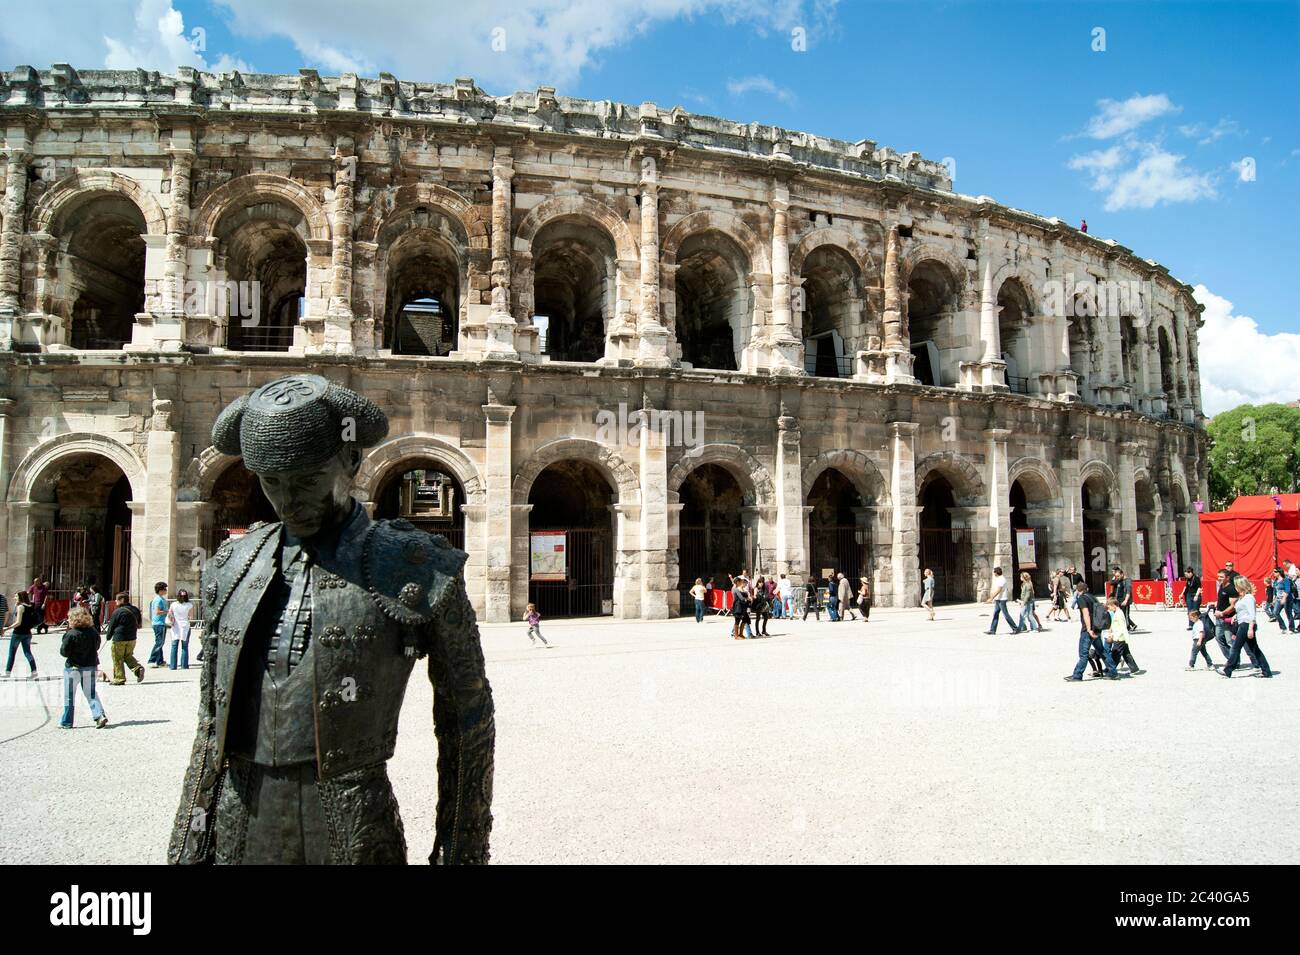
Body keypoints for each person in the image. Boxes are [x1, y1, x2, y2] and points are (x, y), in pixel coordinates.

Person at [169, 373, 494, 865]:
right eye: (271, 483)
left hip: (354, 823)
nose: (287, 501)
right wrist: (188, 845)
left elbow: (467, 719)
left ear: (349, 459)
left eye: (306, 481)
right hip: (240, 821)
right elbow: (211, 729)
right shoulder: (230, 566)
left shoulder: (417, 566)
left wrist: (462, 850)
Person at [60, 606, 108, 729]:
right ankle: (99, 715)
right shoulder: (94, 632)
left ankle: (67, 721)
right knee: (91, 693)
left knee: (69, 696)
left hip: (73, 667)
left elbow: (64, 652)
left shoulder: (70, 634)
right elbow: (96, 647)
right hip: (90, 666)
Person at [1065, 581, 1118, 681]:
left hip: (1088, 630)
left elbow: (1086, 614)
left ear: (1078, 591)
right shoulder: (1093, 597)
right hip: (1097, 628)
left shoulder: (1082, 598)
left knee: (1083, 653)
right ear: (1087, 589)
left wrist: (1089, 629)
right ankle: (1113, 672)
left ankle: (1077, 675)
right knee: (1102, 651)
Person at [1222, 577, 1272, 678]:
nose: (1235, 588)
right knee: (1254, 649)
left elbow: (1252, 614)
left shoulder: (1249, 598)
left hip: (1246, 624)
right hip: (1243, 623)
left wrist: (1250, 628)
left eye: (1236, 585)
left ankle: (1228, 670)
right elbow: (1242, 611)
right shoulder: (1243, 597)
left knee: (1236, 647)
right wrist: (1235, 616)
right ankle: (1266, 671)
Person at [105, 592, 145, 685]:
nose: (115, 601)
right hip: (132, 637)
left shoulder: (118, 611)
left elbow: (112, 625)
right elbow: (139, 622)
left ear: (121, 600)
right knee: (128, 656)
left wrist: (108, 636)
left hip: (120, 638)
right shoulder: (135, 610)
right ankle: (137, 669)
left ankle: (119, 678)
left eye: (117, 599)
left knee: (117, 658)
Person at [3, 592, 39, 679]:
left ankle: (8, 672)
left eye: (16, 596)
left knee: (12, 653)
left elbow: (18, 622)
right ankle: (34, 671)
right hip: (27, 633)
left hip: (18, 633)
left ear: (20, 597)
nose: (14, 598)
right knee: (28, 653)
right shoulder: (29, 607)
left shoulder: (20, 607)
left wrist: (7, 628)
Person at [1105, 595, 1142, 674]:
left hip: (1119, 637)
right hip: (1120, 637)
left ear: (1114, 605)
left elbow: (1123, 627)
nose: (1110, 610)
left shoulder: (1119, 614)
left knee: (1115, 654)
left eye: (1110, 607)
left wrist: (1125, 638)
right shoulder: (1117, 612)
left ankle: (1110, 669)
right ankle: (1134, 668)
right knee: (1126, 653)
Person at [985, 566, 1022, 634]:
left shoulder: (1001, 579)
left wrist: (991, 598)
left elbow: (999, 590)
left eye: (994, 572)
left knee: (1006, 615)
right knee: (995, 614)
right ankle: (992, 630)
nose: (994, 573)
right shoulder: (999, 579)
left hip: (1002, 599)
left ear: (996, 572)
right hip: (998, 599)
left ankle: (1015, 628)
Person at [167, 589, 195, 669]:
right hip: (185, 626)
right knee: (185, 646)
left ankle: (173, 666)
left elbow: (170, 614)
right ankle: (184, 665)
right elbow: (191, 617)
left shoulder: (173, 604)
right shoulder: (189, 605)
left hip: (175, 626)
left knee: (174, 645)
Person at [147, 581, 170, 667]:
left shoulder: (162, 599)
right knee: (159, 643)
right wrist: (168, 612)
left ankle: (160, 661)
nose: (166, 590)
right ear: (160, 590)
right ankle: (151, 660)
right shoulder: (158, 600)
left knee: (160, 642)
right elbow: (157, 612)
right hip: (159, 623)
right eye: (164, 589)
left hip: (160, 623)